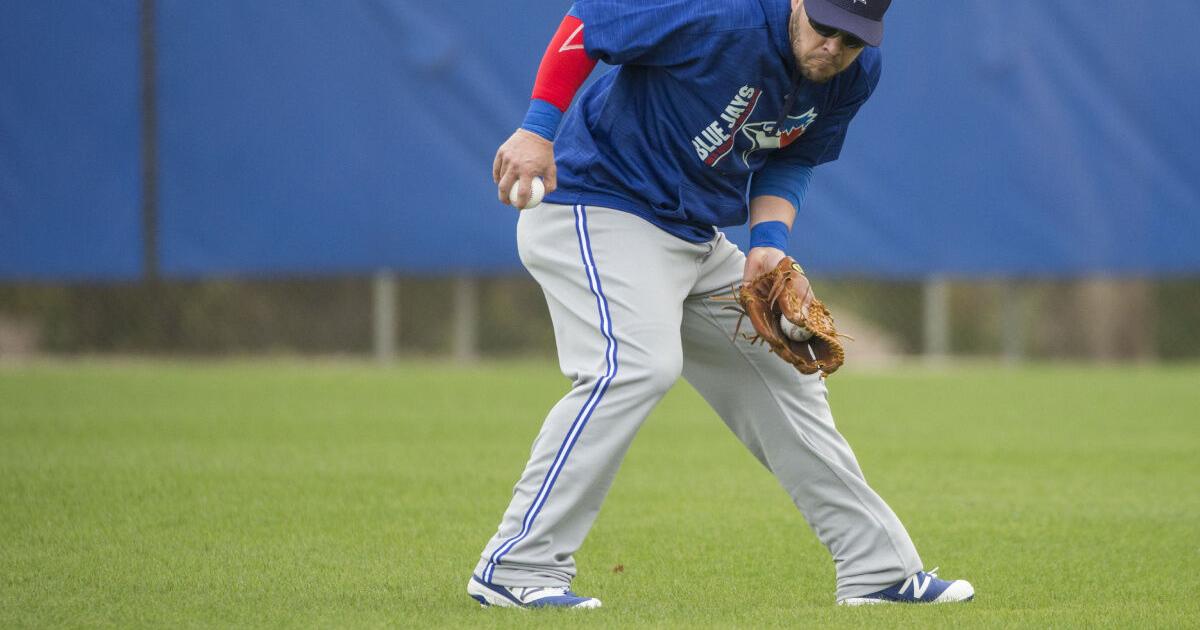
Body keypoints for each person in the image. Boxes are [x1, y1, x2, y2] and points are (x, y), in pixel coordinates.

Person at [467, 0, 974, 608]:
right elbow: (588, 22)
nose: (836, 47)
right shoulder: (720, 13)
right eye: (827, 28)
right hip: (596, 203)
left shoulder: (852, 73)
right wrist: (537, 128)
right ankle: (516, 567)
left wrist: (768, 246)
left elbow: (794, 155)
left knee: (782, 373)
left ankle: (878, 572)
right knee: (635, 365)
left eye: (854, 38)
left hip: (693, 235)